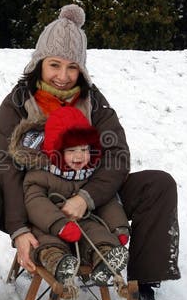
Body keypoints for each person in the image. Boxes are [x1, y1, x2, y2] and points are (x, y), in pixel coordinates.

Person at [0, 3, 180, 300]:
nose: (63, 77)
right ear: (39, 63)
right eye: (54, 65)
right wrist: (20, 228)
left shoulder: (94, 104)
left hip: (88, 198)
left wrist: (86, 197)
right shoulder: (18, 106)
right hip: (31, 198)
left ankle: (145, 281)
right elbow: (8, 171)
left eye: (72, 67)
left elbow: (117, 157)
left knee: (158, 184)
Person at [8, 103, 130, 285]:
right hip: (48, 225)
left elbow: (108, 202)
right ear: (55, 151)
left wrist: (118, 228)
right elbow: (35, 203)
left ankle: (105, 259)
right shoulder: (40, 174)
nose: (79, 156)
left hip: (85, 222)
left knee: (98, 234)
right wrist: (60, 225)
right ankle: (57, 262)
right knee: (45, 242)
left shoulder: (91, 173)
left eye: (84, 149)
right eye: (71, 150)